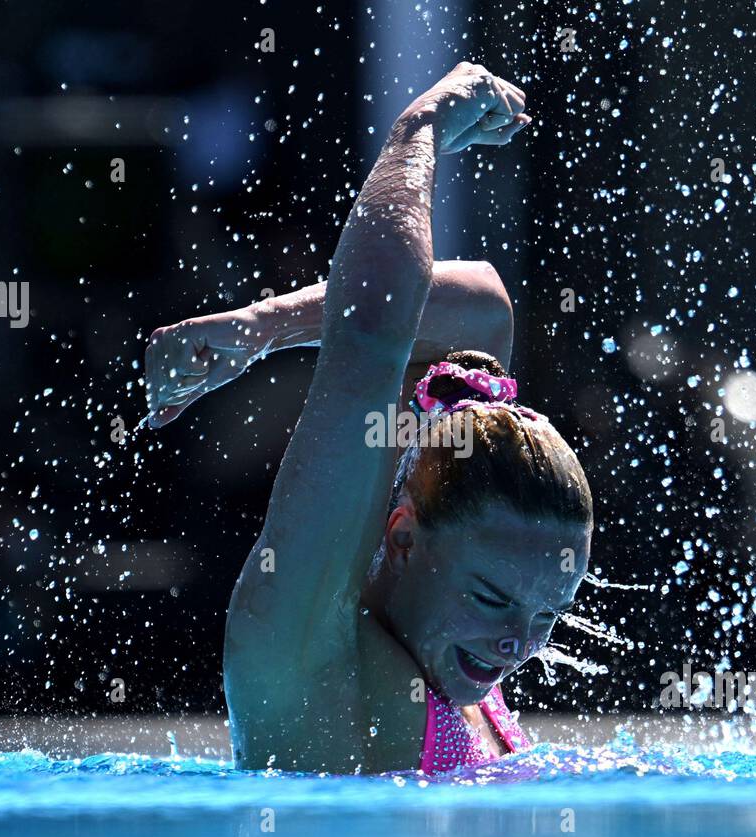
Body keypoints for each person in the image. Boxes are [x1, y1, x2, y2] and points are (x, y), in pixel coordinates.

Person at [145, 63, 593, 774]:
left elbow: (482, 305)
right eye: (492, 597)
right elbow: (372, 332)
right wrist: (419, 130)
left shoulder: (458, 665)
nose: (518, 646)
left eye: (546, 615)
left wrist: (267, 327)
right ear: (404, 535)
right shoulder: (310, 649)